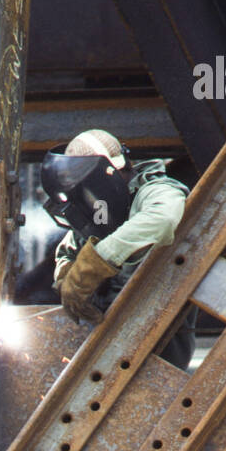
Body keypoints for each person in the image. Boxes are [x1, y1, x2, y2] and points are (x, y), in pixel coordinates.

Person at [40, 128, 196, 369]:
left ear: (109, 175)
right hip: (109, 348)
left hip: (162, 349)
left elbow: (162, 220)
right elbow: (70, 246)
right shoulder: (101, 210)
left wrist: (96, 262)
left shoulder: (156, 191)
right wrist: (66, 275)